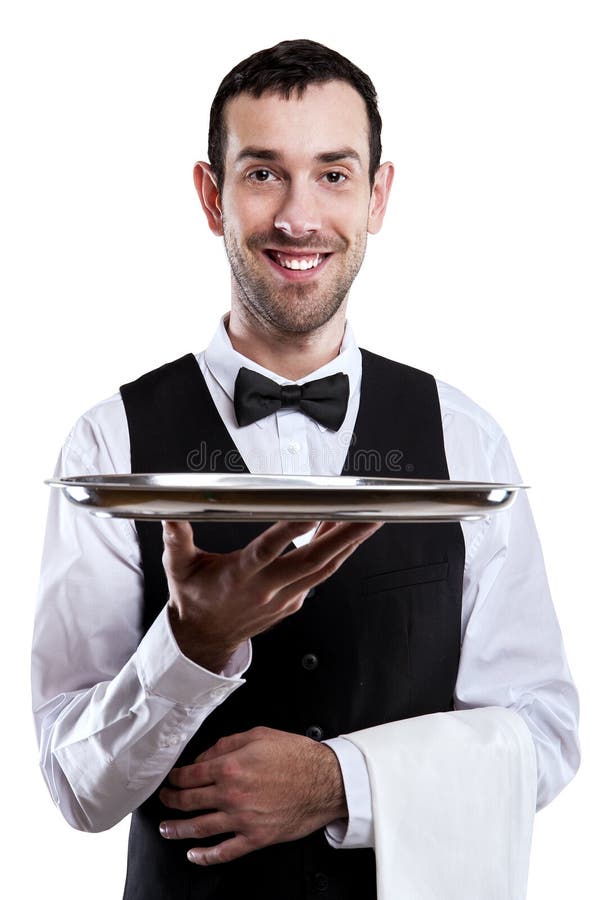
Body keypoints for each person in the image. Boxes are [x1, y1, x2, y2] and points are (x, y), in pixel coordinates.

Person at [32, 39, 580, 899]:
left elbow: (542, 735)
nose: (298, 217)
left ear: (377, 195)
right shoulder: (108, 446)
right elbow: (75, 790)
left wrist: (340, 781)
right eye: (262, 174)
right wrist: (191, 645)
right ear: (211, 198)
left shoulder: (466, 440)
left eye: (332, 174)